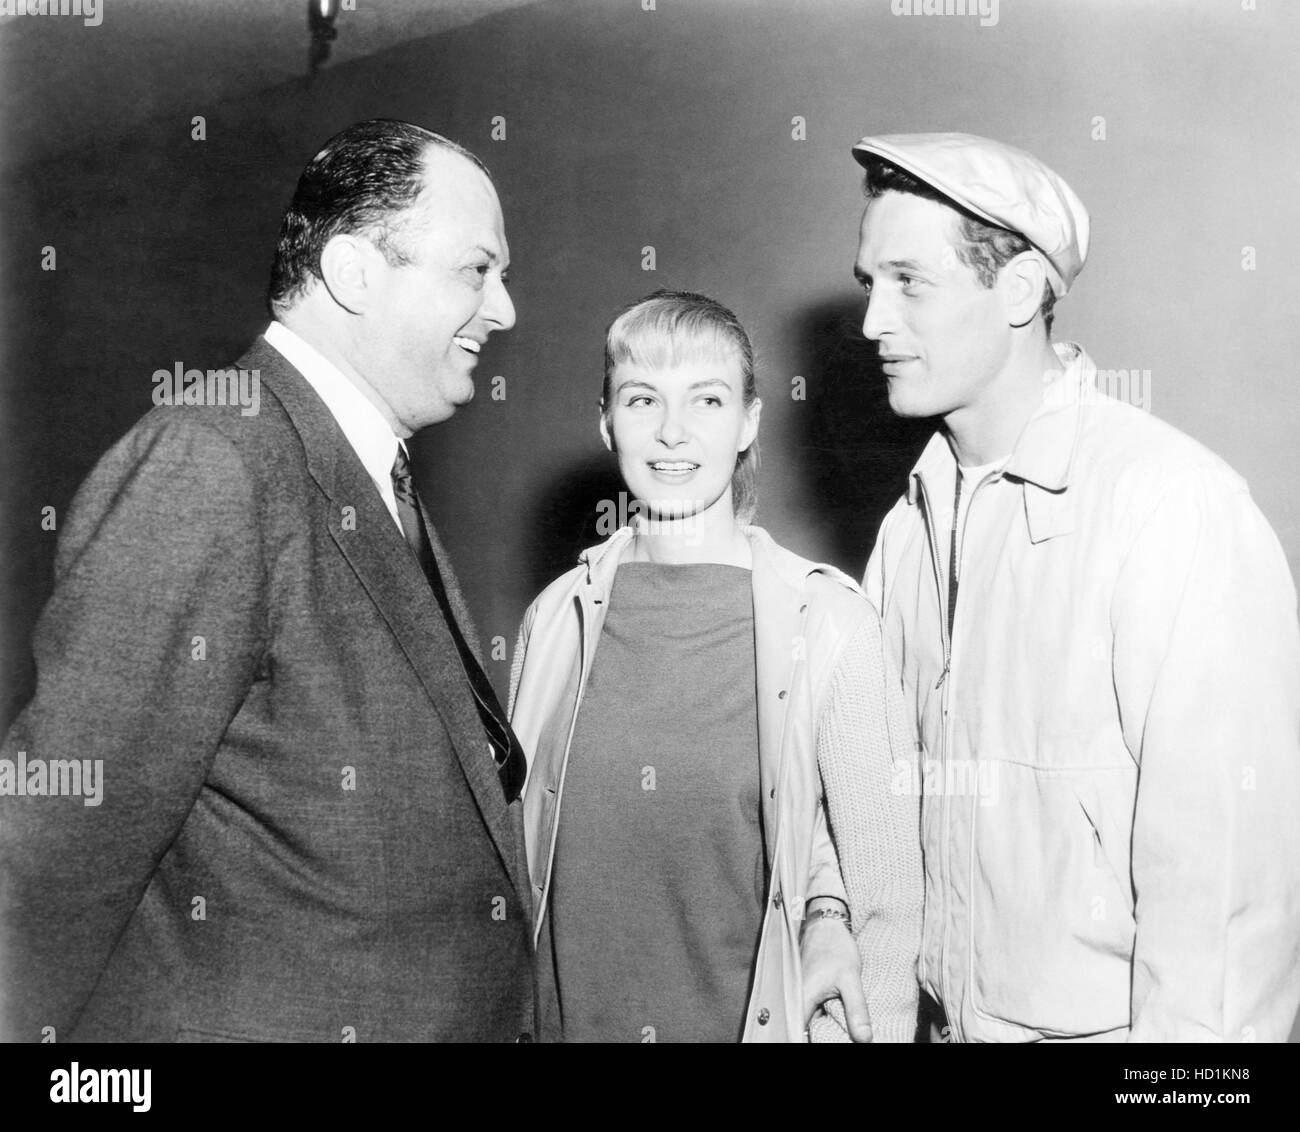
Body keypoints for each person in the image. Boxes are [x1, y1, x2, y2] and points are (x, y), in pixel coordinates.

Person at [0, 119, 536, 1042]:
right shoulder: (213, 460)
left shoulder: (361, 467)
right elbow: (54, 851)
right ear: (355, 272)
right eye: (476, 270)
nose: (505, 309)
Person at [853, 131, 1300, 1042]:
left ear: (1018, 290)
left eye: (911, 282)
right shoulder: (909, 525)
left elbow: (1226, 915)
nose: (872, 323)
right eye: (871, 285)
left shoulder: (1174, 509)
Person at [508, 289, 922, 1043]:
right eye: (642, 399)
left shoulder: (831, 627)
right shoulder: (553, 622)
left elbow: (888, 909)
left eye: (706, 399)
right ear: (606, 420)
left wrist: (829, 916)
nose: (672, 432)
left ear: (748, 421)